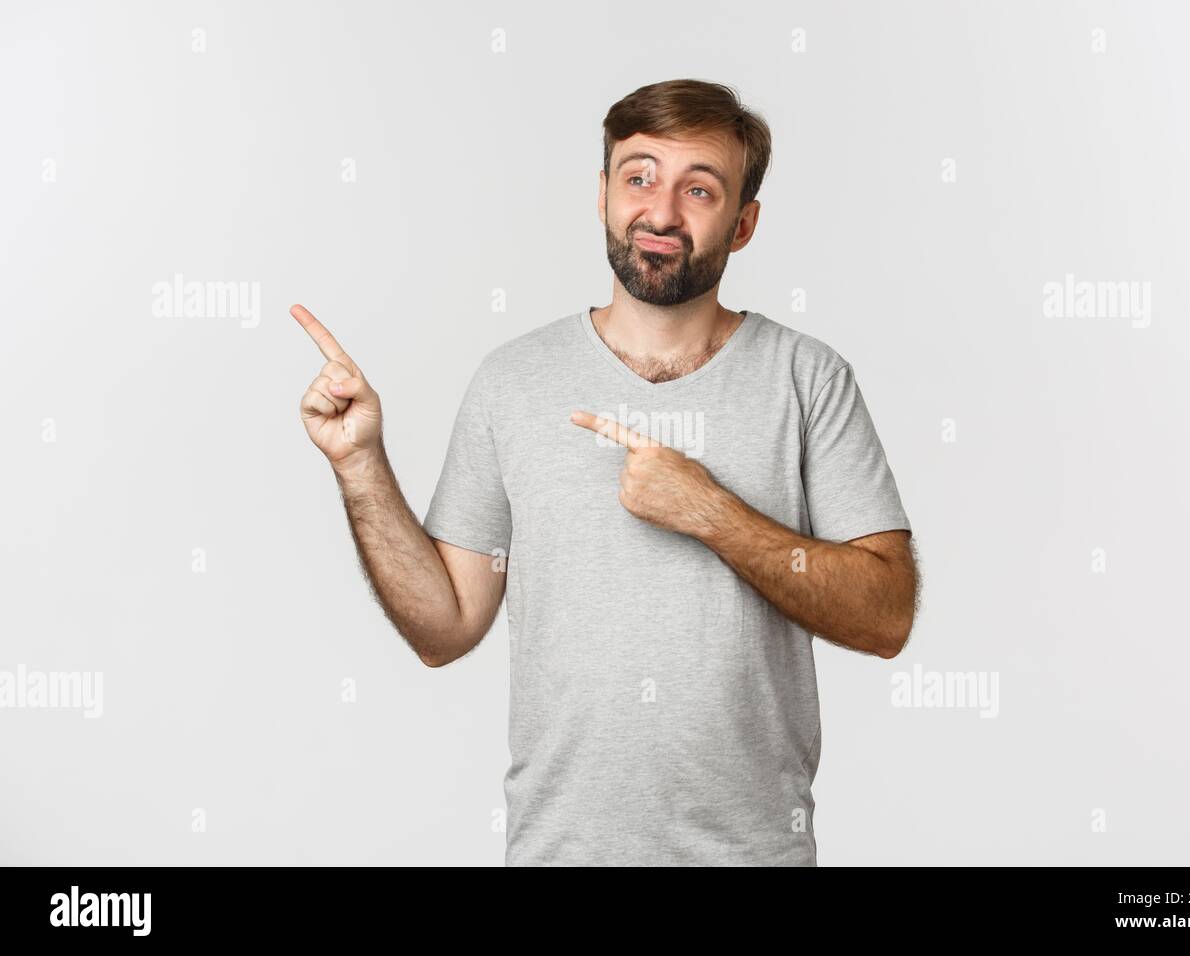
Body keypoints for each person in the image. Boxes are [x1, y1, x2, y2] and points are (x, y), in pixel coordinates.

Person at [292, 78, 919, 866]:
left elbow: (887, 614)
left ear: (745, 223)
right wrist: (359, 465)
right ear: (602, 195)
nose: (661, 213)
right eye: (640, 177)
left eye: (700, 189)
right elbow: (444, 628)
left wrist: (711, 513)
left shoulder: (808, 379)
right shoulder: (512, 381)